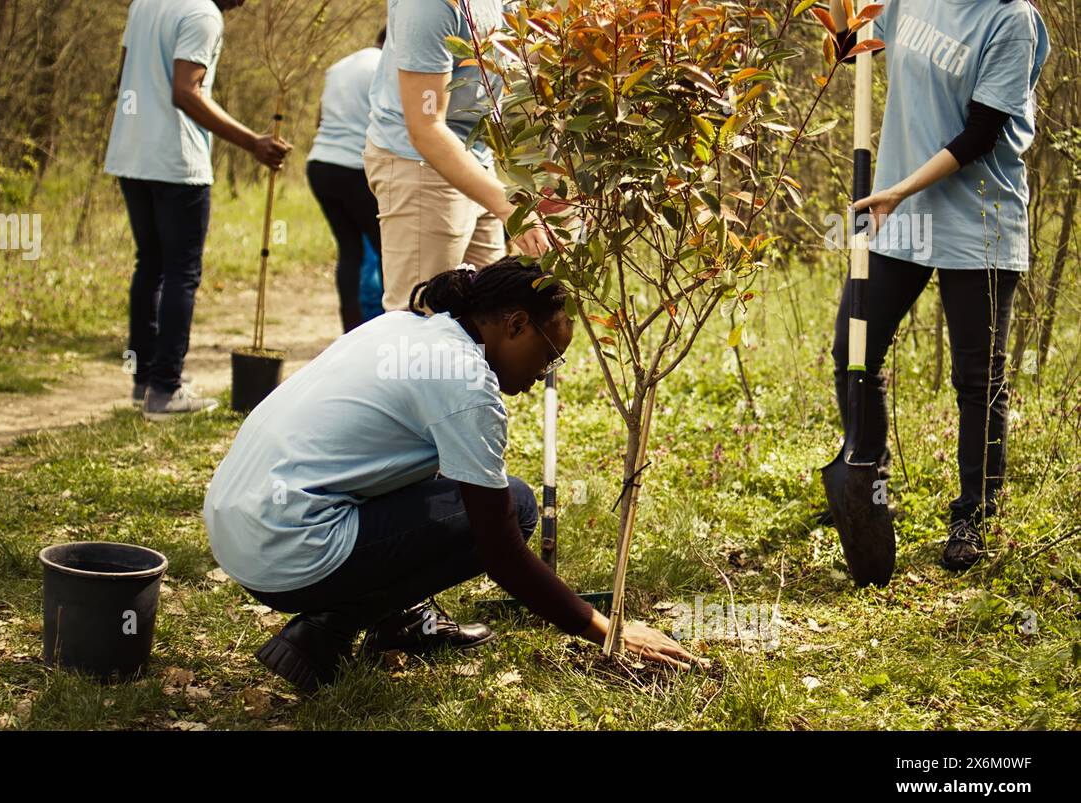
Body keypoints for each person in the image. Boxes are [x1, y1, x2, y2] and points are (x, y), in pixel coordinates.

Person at [203, 257, 699, 692]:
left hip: (237, 524)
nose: (544, 373)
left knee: (463, 493)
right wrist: (607, 629)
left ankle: (392, 623)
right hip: (285, 550)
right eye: (549, 355)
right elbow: (500, 549)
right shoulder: (465, 382)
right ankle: (328, 628)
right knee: (517, 507)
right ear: (516, 324)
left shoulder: (405, 328)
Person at [828, 0, 1049, 569]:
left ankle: (972, 517)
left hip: (979, 218)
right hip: (900, 213)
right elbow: (849, 45)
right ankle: (867, 489)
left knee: (978, 379)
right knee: (854, 351)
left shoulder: (1011, 19)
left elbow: (979, 134)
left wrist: (900, 190)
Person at [105, 0, 292, 421]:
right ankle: (166, 389)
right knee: (181, 272)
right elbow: (185, 92)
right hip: (176, 163)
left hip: (130, 156)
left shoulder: (145, 4)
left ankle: (144, 381)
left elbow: (126, 75)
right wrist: (253, 143)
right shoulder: (202, 15)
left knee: (149, 265)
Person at [364, 0, 550, 314]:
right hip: (421, 164)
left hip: (477, 159)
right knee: (422, 321)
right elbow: (426, 127)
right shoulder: (428, 6)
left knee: (489, 316)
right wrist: (511, 211)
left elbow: (524, 52)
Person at [306, 28, 387, 333]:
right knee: (388, 251)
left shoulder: (339, 66)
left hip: (320, 165)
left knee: (350, 250)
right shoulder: (385, 66)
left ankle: (350, 332)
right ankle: (384, 330)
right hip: (355, 168)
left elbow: (319, 121)